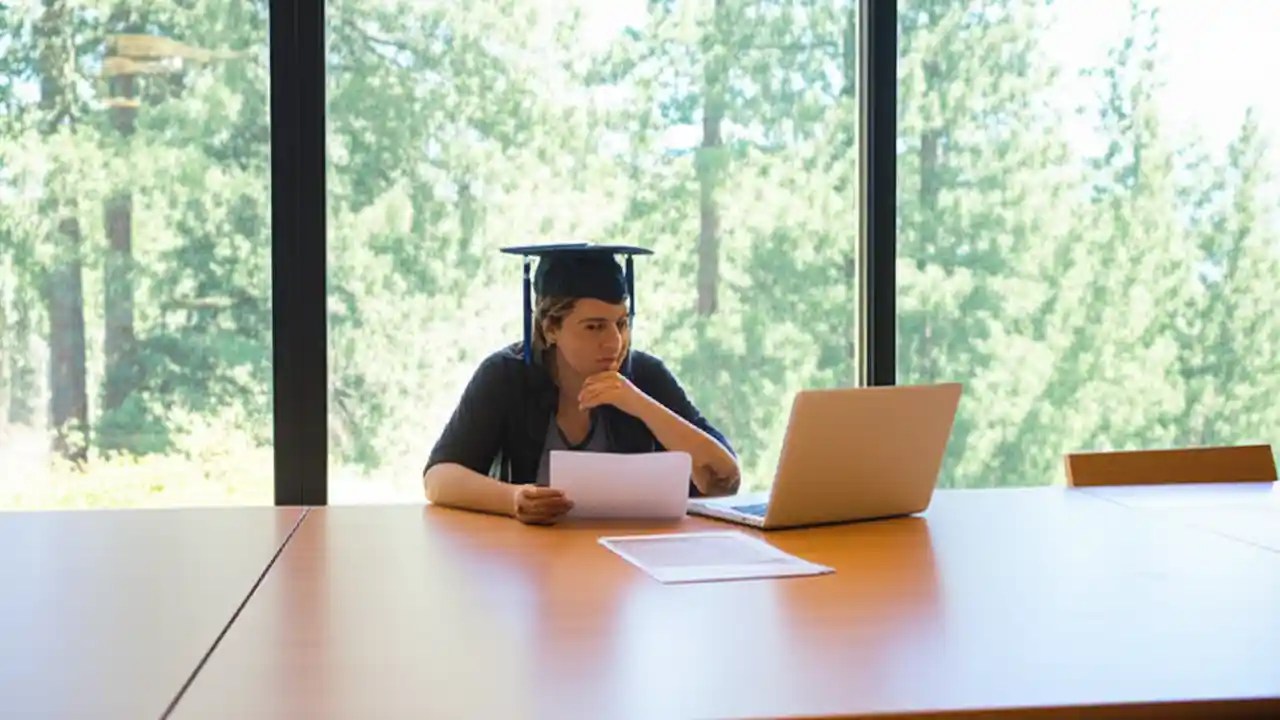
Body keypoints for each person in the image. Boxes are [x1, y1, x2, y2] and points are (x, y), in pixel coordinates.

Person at [423, 243, 741, 525]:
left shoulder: (644, 375)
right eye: (594, 327)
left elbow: (723, 480)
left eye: (622, 323)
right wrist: (512, 499)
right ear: (550, 328)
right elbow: (439, 478)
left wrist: (639, 404)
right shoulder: (507, 375)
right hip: (531, 556)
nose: (614, 342)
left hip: (627, 556)